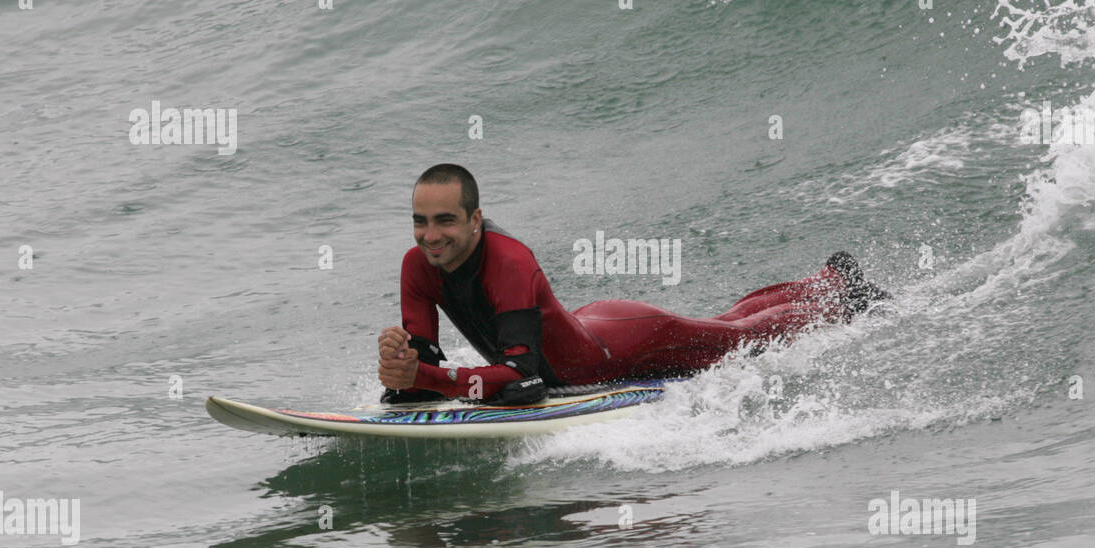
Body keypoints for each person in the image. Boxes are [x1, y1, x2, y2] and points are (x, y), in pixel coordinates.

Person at [378, 164, 888, 404]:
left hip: (623, 343)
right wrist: (402, 366)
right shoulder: (416, 265)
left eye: (444, 220)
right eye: (420, 221)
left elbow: (526, 383)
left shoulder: (509, 263)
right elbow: (424, 367)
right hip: (586, 327)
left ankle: (839, 294)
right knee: (726, 321)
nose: (430, 235)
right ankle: (826, 279)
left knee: (736, 336)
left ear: (475, 219)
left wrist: (425, 378)